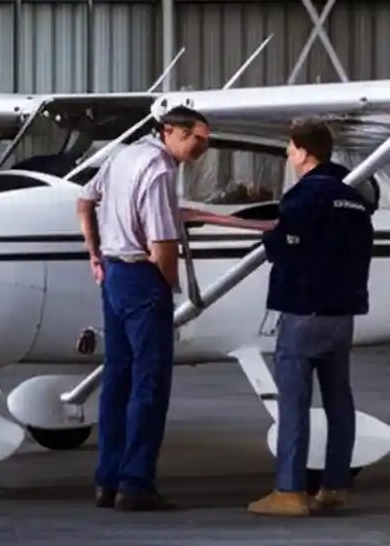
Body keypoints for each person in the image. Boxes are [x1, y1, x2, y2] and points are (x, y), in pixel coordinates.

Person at [192, 120, 374, 516]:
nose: (289, 155)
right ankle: (334, 486)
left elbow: (286, 246)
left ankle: (289, 491)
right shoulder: (354, 198)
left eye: (290, 149)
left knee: (293, 402)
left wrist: (271, 237)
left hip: (303, 311)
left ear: (304, 153)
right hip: (342, 313)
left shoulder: (301, 197)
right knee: (338, 400)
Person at [76, 106, 211, 511]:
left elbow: (84, 200)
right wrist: (169, 285)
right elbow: (162, 246)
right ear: (170, 131)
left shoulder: (122, 155)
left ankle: (107, 480)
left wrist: (94, 254)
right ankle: (135, 484)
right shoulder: (159, 169)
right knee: (149, 383)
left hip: (114, 274)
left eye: (206, 141)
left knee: (117, 377)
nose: (201, 147)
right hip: (142, 279)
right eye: (196, 139)